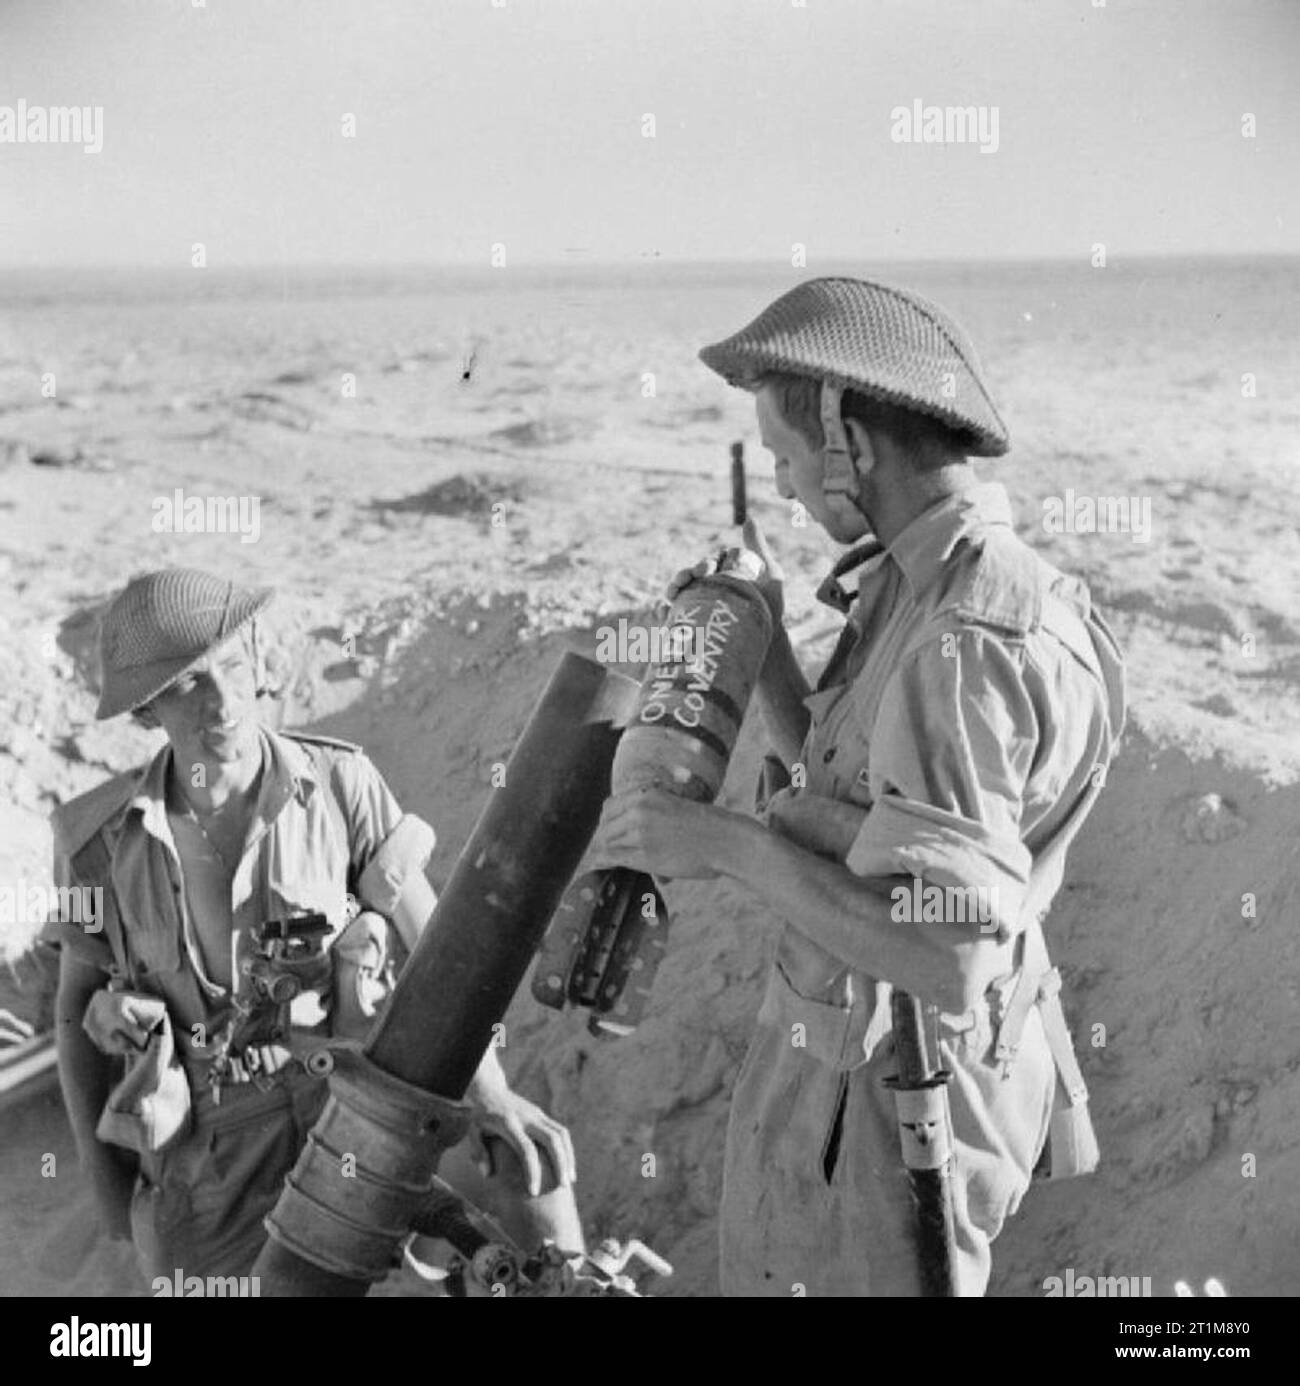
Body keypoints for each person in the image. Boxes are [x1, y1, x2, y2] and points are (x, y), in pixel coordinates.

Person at [592, 276, 1126, 1296]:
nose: (786, 490)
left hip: (890, 1113)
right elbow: (864, 801)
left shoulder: (960, 639)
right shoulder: (928, 591)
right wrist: (766, 650)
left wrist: (721, 846)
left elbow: (947, 953)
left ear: (851, 445)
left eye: (789, 459)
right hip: (853, 1073)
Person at [47, 567, 581, 1285]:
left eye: (233, 666)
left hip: (356, 1106)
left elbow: (439, 950)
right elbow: (73, 1014)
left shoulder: (337, 785)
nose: (223, 701)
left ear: (260, 660)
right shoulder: (99, 845)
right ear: (145, 712)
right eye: (186, 684)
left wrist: (492, 1098)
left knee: (529, 1165)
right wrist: (111, 1195)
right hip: (210, 1153)